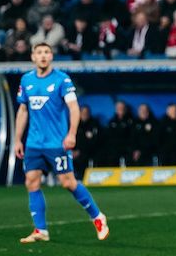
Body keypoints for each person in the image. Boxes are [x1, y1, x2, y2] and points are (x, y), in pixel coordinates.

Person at [14, 43, 109, 243]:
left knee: (68, 182)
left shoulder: (62, 79)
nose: (43, 56)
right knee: (31, 181)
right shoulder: (26, 80)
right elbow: (22, 111)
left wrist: (71, 134)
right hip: (34, 143)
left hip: (56, 142)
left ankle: (97, 217)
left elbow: (74, 108)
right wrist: (17, 139)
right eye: (39, 52)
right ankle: (40, 230)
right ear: (33, 57)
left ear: (51, 56)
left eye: (47, 52)